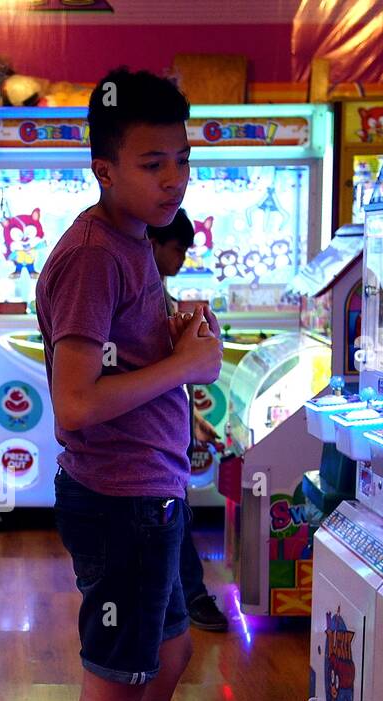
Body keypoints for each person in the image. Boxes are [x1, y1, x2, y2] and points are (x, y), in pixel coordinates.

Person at [37, 68, 221, 701]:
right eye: (153, 163)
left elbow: (120, 355)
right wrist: (185, 368)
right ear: (104, 167)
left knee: (174, 649)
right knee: (116, 682)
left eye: (180, 159)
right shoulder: (93, 255)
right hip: (121, 502)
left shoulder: (137, 242)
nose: (173, 179)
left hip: (155, 492)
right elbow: (74, 404)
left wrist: (172, 330)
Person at [147, 210, 231, 633]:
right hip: (151, 441)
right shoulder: (147, 297)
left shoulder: (159, 294)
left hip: (164, 432)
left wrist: (192, 421)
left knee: (173, 517)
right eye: (177, 249)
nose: (181, 259)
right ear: (154, 244)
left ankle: (180, 599)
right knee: (171, 514)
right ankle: (189, 597)